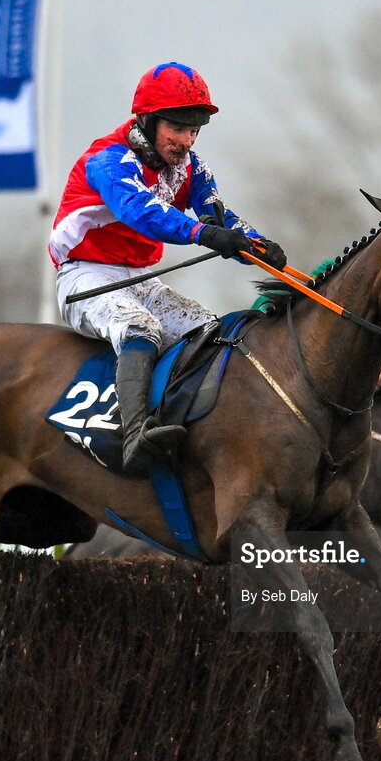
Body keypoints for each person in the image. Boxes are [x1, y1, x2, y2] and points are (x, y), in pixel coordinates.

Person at [49, 62, 287, 476]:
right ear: (147, 119)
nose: (186, 140)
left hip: (140, 279)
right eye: (177, 128)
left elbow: (218, 216)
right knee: (141, 328)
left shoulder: (191, 166)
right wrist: (204, 235)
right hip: (85, 275)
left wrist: (257, 244)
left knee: (208, 329)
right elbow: (141, 212)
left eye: (194, 130)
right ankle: (135, 435)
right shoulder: (107, 160)